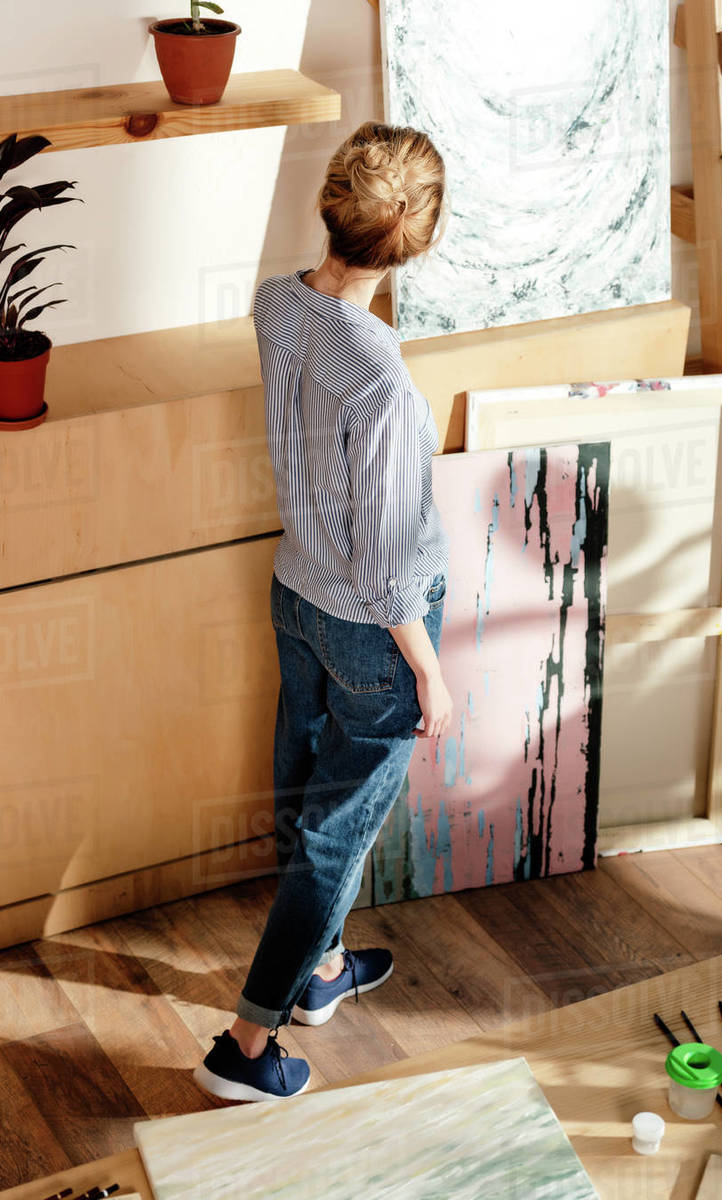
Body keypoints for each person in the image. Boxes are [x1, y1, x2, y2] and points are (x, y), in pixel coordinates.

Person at [193, 121, 452, 1102]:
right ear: (419, 235)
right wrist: (427, 668)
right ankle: (246, 1048)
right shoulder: (379, 373)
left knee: (302, 795)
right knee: (335, 834)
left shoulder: (276, 306)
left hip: (295, 594)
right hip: (369, 627)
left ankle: (324, 972)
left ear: (332, 206)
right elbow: (387, 565)